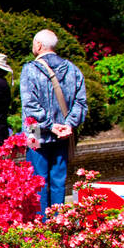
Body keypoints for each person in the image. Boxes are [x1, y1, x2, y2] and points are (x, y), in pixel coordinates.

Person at [19, 30, 87, 217]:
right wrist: (68, 124)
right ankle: (58, 223)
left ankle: (41, 226)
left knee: (37, 181)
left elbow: (30, 105)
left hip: (35, 131)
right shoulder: (73, 70)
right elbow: (81, 103)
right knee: (58, 180)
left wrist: (49, 124)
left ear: (39, 45)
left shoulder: (30, 69)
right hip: (64, 132)